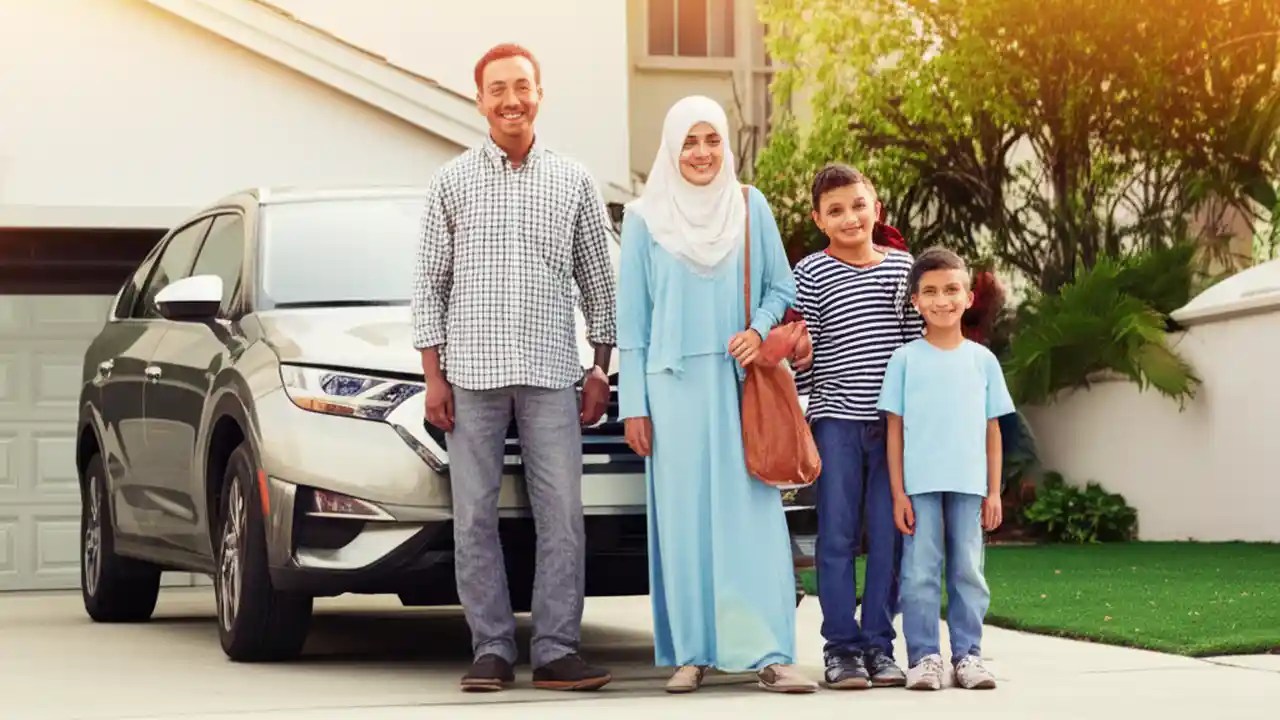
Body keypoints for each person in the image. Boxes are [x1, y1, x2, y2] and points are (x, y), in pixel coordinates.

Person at [411, 43, 617, 693]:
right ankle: (492, 649)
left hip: (553, 373)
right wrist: (433, 375)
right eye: (497, 89)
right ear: (479, 100)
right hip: (470, 377)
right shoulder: (451, 181)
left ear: (540, 94)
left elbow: (599, 282)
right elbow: (429, 285)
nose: (511, 100)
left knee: (562, 516)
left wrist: (600, 368)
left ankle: (556, 651)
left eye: (522, 86)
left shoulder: (573, 180)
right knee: (473, 517)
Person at [615, 95, 818, 695]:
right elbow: (634, 322)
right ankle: (693, 653)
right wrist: (634, 407)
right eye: (689, 141)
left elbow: (782, 284)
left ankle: (770, 654)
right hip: (671, 387)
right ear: (671, 147)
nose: (702, 153)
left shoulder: (749, 205)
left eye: (712, 140)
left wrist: (758, 329)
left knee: (751, 519)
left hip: (739, 384)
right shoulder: (644, 218)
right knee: (685, 522)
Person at [791, 164, 922, 689]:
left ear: (876, 208)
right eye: (836, 210)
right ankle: (842, 649)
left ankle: (879, 646)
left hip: (891, 429)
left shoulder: (903, 269)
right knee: (837, 537)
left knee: (889, 537)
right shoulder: (810, 273)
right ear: (819, 220)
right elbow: (807, 353)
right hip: (835, 424)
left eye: (858, 205)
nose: (850, 218)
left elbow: (914, 349)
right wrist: (797, 358)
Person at [877, 247, 1014, 691]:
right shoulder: (904, 360)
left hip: (970, 487)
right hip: (918, 488)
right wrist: (898, 493)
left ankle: (968, 655)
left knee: (968, 572)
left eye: (952, 290)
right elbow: (894, 432)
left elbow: (992, 431)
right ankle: (924, 658)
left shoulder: (983, 361)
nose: (942, 300)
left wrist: (994, 491)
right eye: (931, 292)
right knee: (919, 573)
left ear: (968, 297)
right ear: (915, 300)